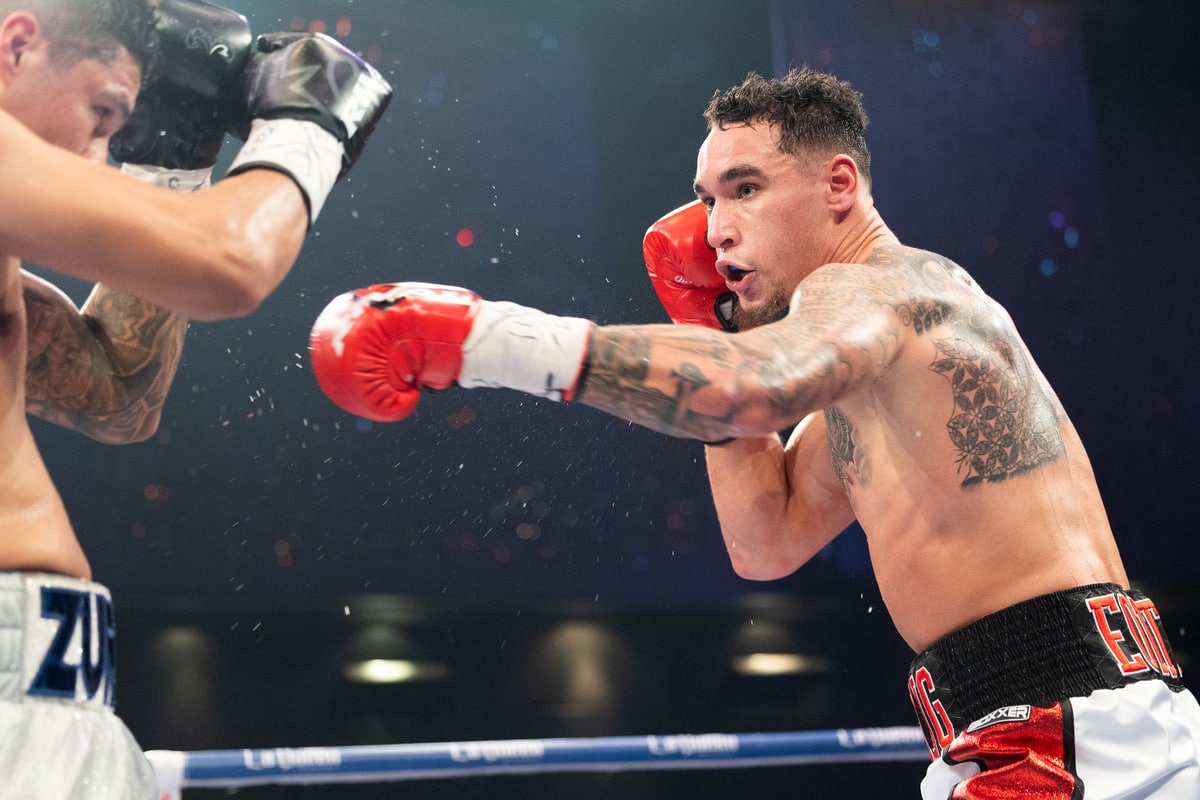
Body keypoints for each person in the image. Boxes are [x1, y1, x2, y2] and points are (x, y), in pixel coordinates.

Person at [309, 67, 1200, 797]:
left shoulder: (878, 289)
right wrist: (709, 330)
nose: (715, 229)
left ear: (838, 185)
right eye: (705, 200)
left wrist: (484, 341)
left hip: (1061, 740)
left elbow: (753, 392)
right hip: (1051, 728)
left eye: (745, 189)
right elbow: (763, 541)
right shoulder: (877, 365)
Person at [0, 0, 391, 797]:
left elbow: (117, 394)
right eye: (102, 111)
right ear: (17, 44)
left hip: (59, 687)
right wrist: (305, 130)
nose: (99, 153)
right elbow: (230, 263)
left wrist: (174, 161)